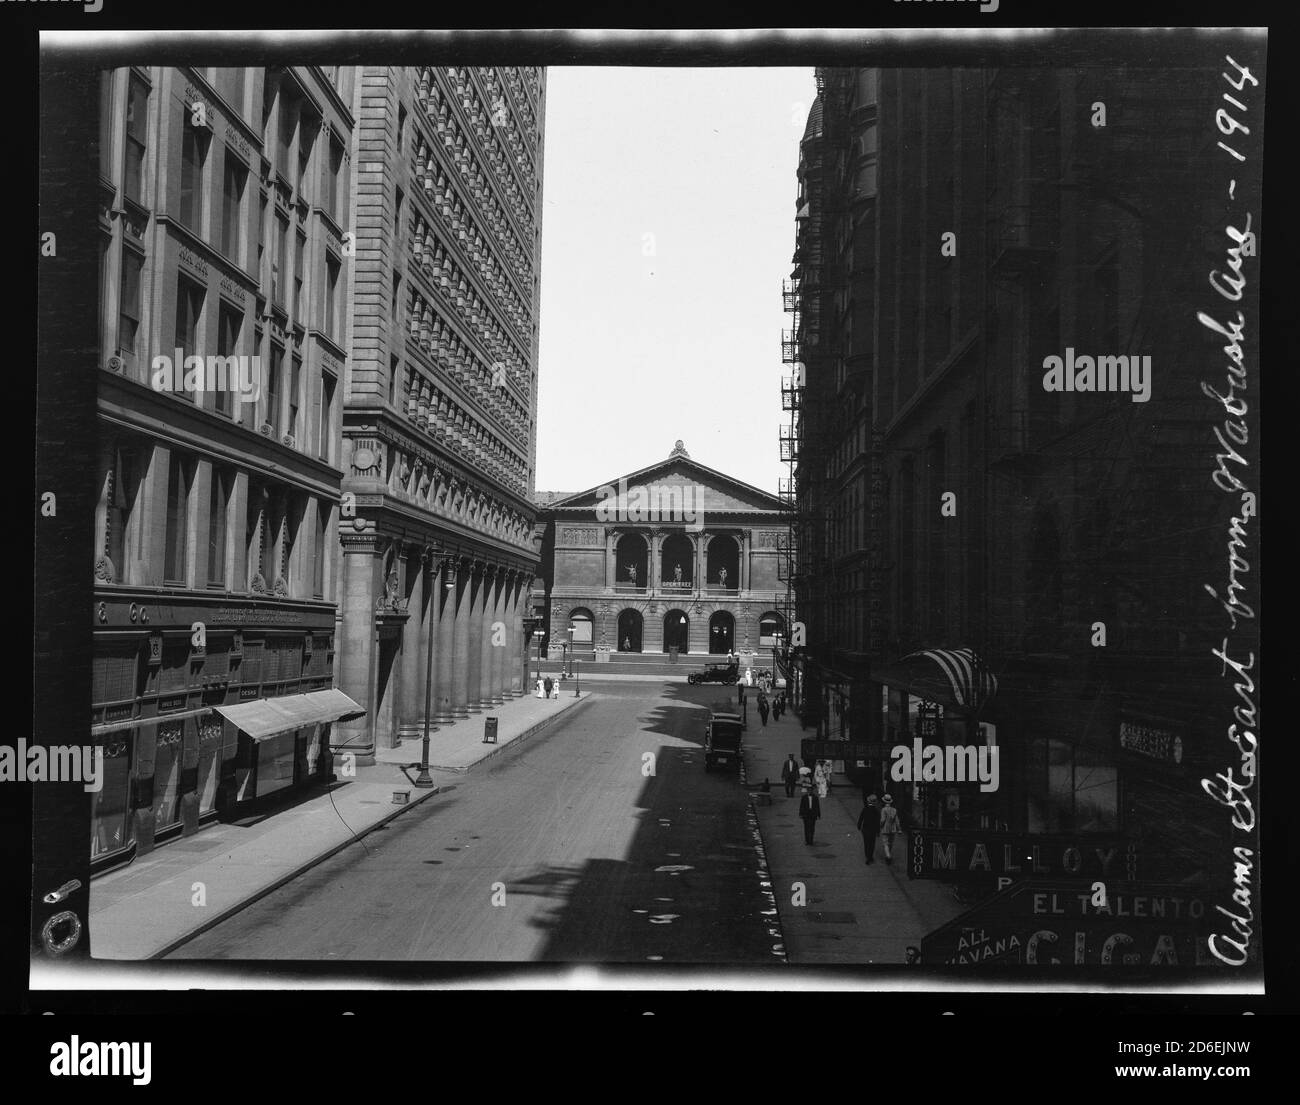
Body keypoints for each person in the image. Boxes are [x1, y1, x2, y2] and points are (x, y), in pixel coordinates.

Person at [857, 793, 880, 864]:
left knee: (866, 843)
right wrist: (878, 831)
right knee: (872, 844)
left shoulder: (865, 809)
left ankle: (867, 856)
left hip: (865, 829)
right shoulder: (876, 811)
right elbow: (877, 822)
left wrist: (859, 825)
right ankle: (870, 856)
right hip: (873, 830)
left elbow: (861, 818)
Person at [879, 794, 902, 864]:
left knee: (885, 843)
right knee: (891, 843)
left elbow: (883, 820)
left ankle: (888, 856)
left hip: (885, 828)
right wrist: (899, 829)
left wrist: (880, 826)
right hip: (893, 828)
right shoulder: (894, 810)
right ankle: (889, 853)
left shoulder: (883, 810)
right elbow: (897, 820)